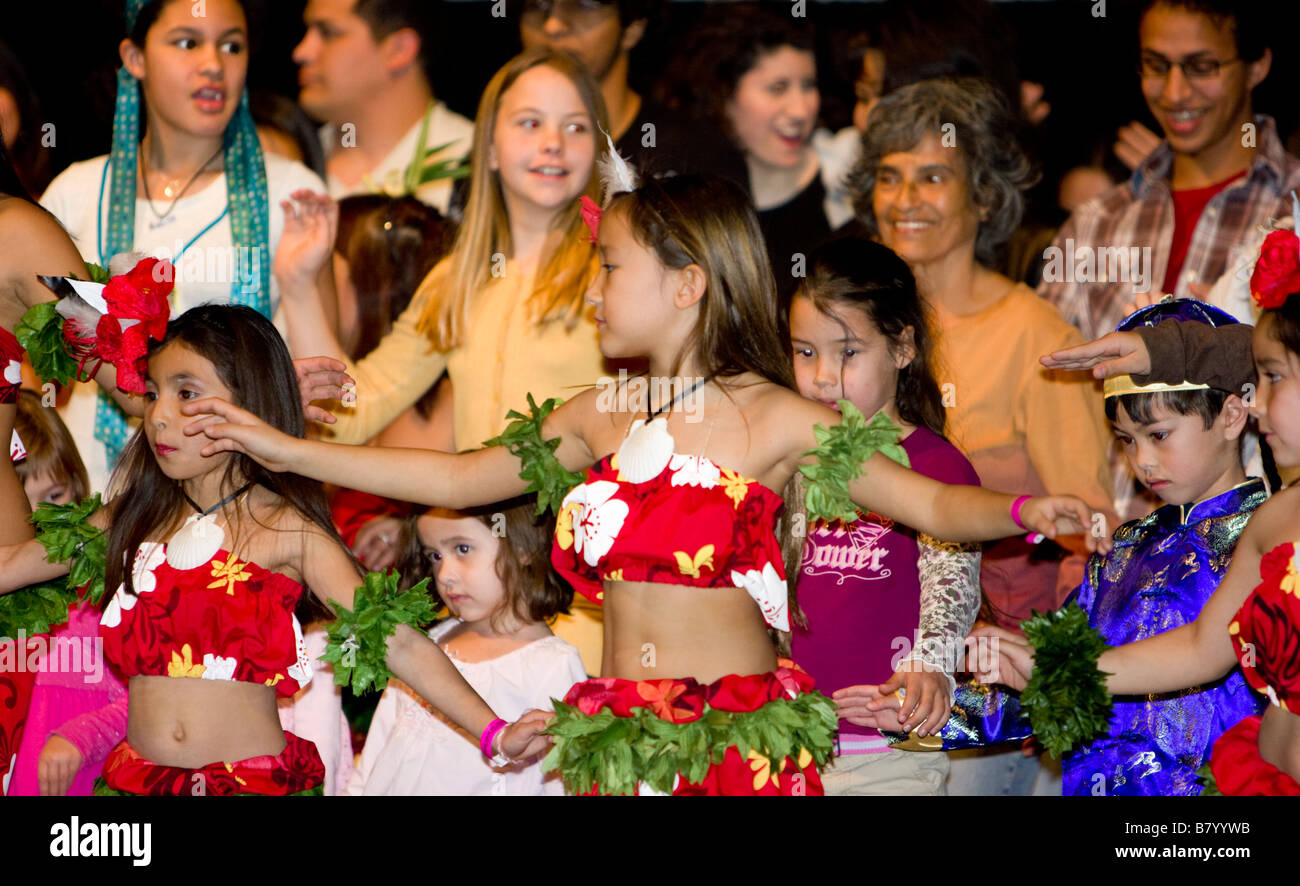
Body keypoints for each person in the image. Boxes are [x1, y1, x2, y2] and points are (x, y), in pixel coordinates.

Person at [184, 173, 1101, 796]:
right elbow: (458, 474)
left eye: (611, 267)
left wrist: (1026, 511)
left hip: (732, 740)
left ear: (687, 284)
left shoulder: (775, 419)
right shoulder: (598, 414)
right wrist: (288, 448)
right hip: (617, 732)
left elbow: (935, 503)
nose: (593, 288)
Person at [0, 304, 550, 795]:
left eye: (186, 393)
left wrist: (494, 731)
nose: (159, 415)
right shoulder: (130, 517)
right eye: (152, 393)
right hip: (137, 785)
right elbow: (16, 563)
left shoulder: (288, 529)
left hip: (249, 785)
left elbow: (399, 643)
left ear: (250, 405)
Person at [274, 47, 612, 671]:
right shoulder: (456, 280)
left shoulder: (614, 271)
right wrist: (299, 284)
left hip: (590, 595)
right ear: (486, 147)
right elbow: (351, 411)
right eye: (530, 122)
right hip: (482, 597)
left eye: (576, 126)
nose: (554, 144)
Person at [846, 75, 1117, 795]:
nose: (905, 200)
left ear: (987, 197)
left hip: (982, 715)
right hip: (850, 696)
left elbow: (1087, 538)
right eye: (889, 177)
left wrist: (1029, 679)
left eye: (933, 177)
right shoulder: (846, 337)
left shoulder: (1038, 340)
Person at [975, 239, 1300, 794]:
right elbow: (1067, 682)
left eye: (1158, 435)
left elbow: (1203, 652)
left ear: (1229, 416)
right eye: (1128, 440)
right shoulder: (1124, 548)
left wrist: (1168, 349)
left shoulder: (1258, 528)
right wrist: (934, 714)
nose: (1142, 460)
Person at [39, 0, 329, 495]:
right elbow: (34, 370)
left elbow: (328, 385)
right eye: (187, 43)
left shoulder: (290, 192)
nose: (214, 64)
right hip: (95, 496)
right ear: (134, 57)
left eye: (231, 45)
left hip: (242, 504)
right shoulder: (75, 192)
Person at [786, 237, 982, 795]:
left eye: (847, 353)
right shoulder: (789, 462)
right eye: (805, 352)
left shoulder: (935, 466)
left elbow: (952, 592)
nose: (823, 376)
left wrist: (929, 669)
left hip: (890, 756)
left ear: (902, 348)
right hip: (787, 747)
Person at [1039, 0, 1300, 341]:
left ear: (1257, 67)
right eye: (1157, 66)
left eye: (1202, 67)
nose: (1175, 93)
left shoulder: (1293, 211)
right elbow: (1042, 364)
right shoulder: (1097, 223)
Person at [347, 500, 585, 795]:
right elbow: (376, 751)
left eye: (462, 549)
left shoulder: (552, 663)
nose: (445, 574)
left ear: (524, 547)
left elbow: (563, 782)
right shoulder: (427, 643)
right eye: (434, 556)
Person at [663, 7, 844, 296]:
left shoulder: (842, 183)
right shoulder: (687, 197)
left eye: (809, 86)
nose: (801, 110)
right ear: (724, 96)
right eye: (777, 88)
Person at [5, 390, 130, 797]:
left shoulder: (110, 587)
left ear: (77, 485)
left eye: (54, 497)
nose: (41, 521)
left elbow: (154, 699)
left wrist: (81, 736)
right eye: (20, 504)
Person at [518, 0, 740, 183]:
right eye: (535, 5)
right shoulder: (500, 145)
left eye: (583, 5)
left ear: (632, 29)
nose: (552, 26)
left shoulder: (694, 158)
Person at [294, 0, 473, 210]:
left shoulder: (477, 163)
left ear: (399, 49)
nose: (301, 52)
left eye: (328, 33)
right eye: (307, 32)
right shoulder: (289, 159)